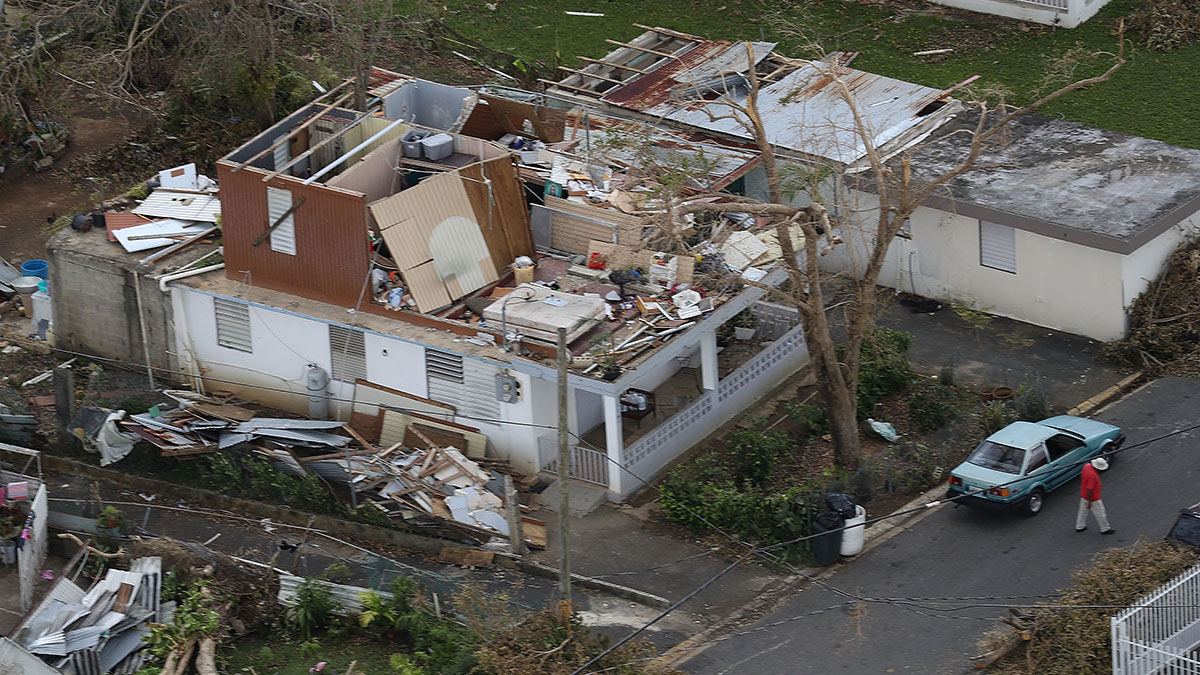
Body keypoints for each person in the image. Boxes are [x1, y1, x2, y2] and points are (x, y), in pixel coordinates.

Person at [1076, 457, 1114, 534]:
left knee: (1083, 511)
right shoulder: (1093, 476)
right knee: (1100, 513)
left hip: (1083, 494)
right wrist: (1090, 502)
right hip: (1093, 498)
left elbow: (1082, 476)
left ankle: (1080, 526)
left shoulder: (1086, 466)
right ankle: (1105, 528)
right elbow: (1089, 489)